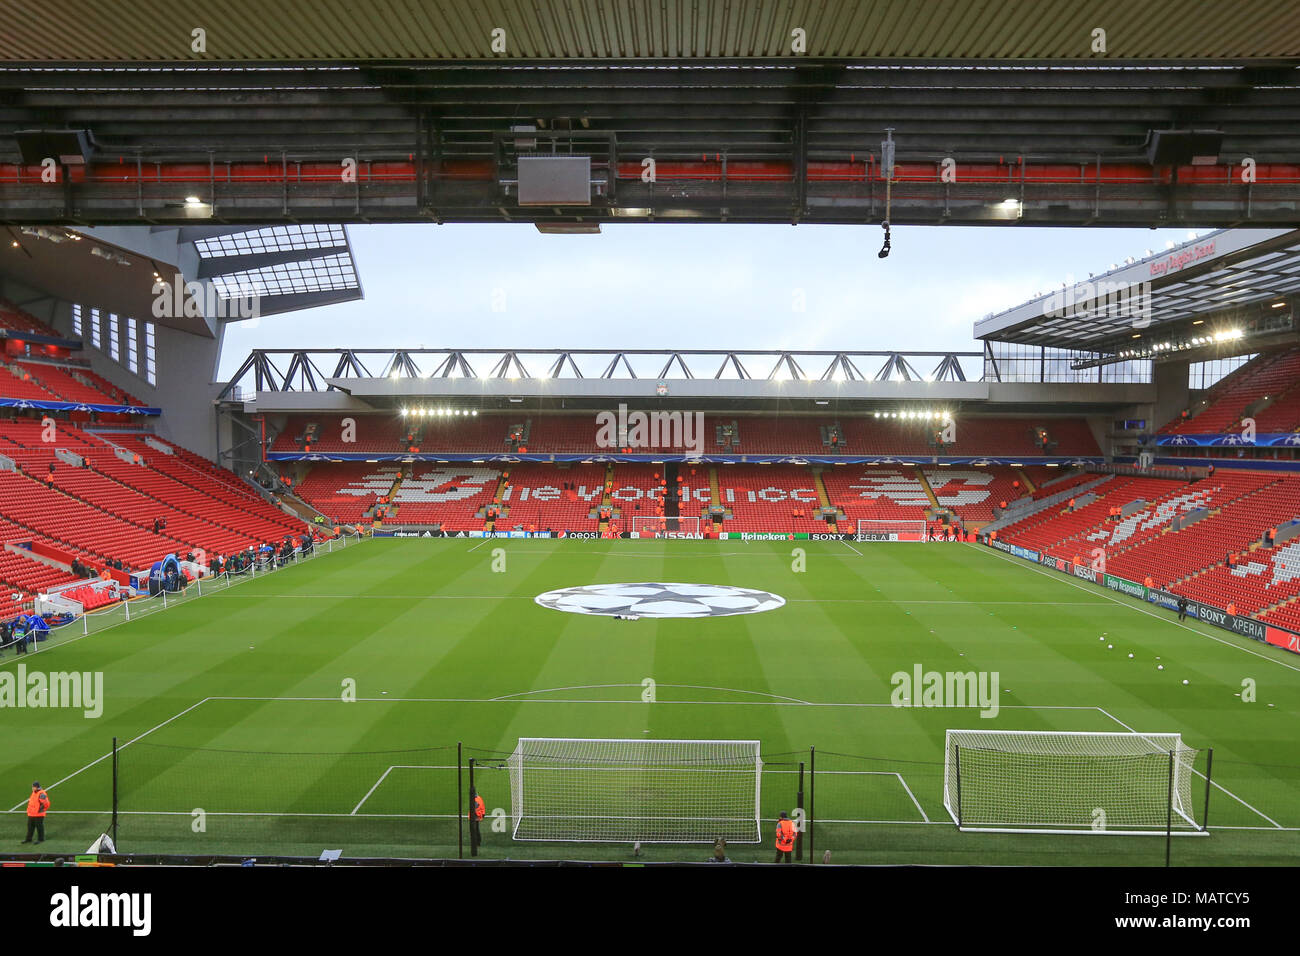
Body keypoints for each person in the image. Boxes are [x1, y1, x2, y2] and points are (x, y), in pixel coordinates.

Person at [469, 787, 485, 852]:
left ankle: (476, 843)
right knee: (476, 830)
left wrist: (473, 817)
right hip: (478, 816)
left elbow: (474, 809)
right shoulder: (479, 798)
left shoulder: (475, 800)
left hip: (475, 817)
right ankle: (478, 842)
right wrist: (483, 814)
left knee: (474, 830)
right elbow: (482, 806)